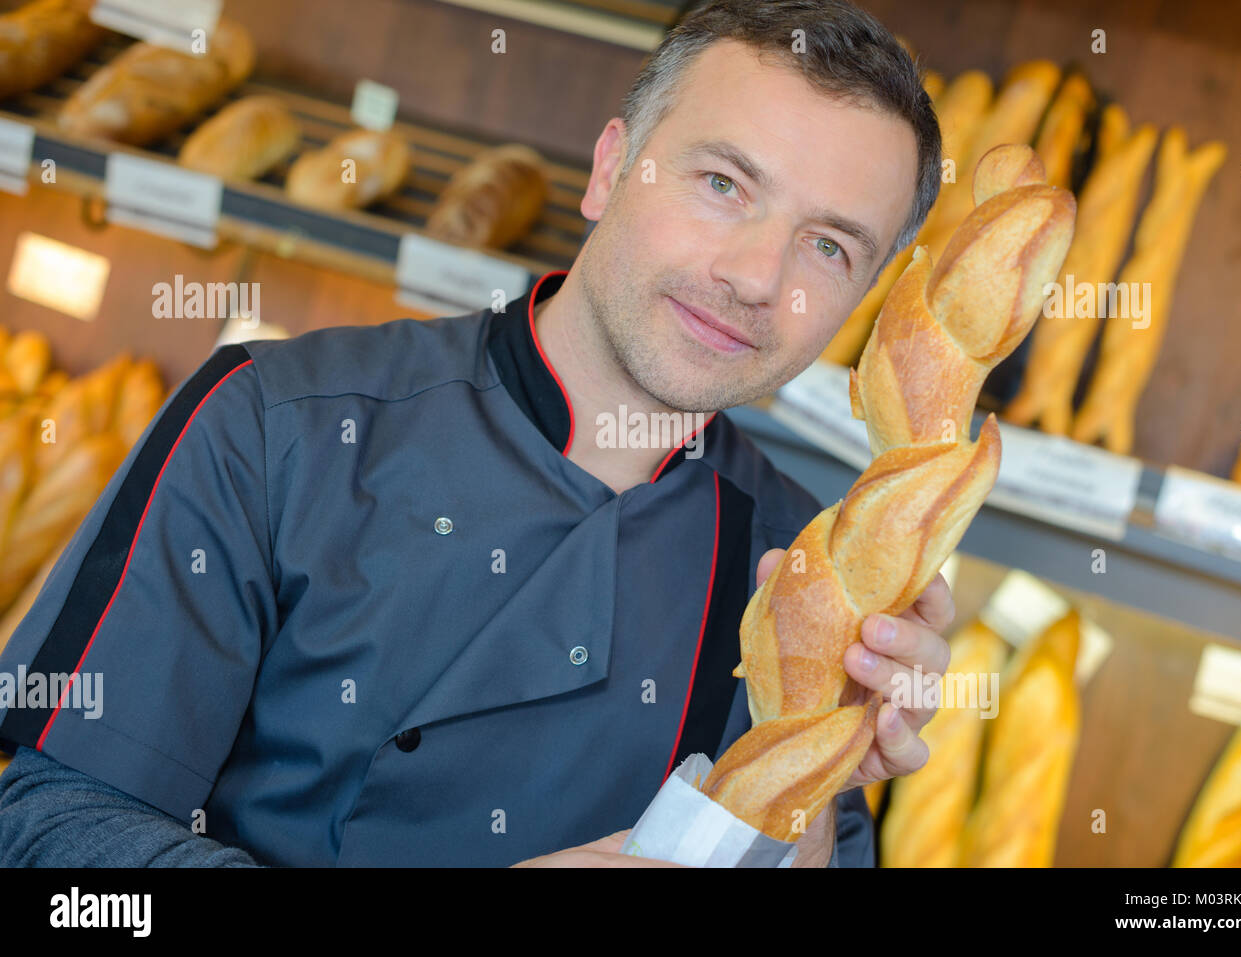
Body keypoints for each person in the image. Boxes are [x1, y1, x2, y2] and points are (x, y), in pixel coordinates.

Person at [0, 0, 949, 867]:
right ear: (611, 168)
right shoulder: (271, 421)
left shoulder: (810, 573)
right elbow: (46, 829)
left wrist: (816, 765)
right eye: (722, 183)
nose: (755, 274)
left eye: (829, 246)